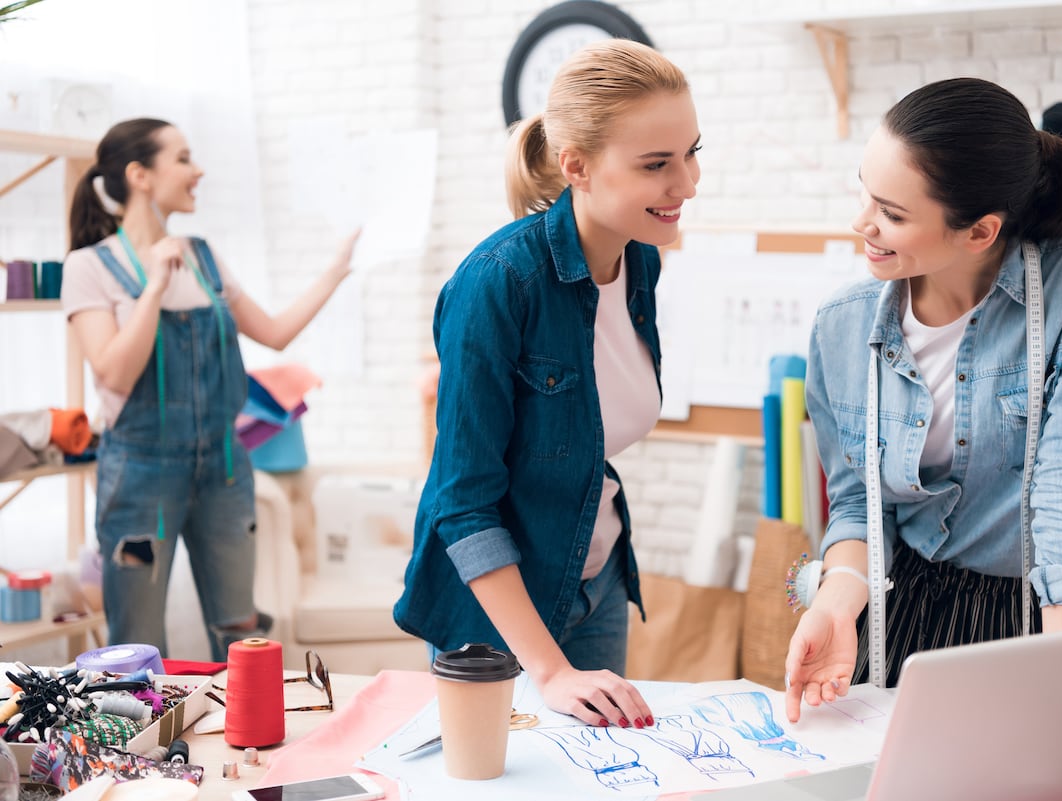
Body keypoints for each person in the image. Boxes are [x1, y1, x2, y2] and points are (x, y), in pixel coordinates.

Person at [784, 78, 1062, 722]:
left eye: (892, 214)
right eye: (865, 193)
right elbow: (859, 504)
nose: (862, 224)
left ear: (979, 232)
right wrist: (834, 605)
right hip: (894, 611)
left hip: (1027, 616)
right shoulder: (842, 325)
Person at [393, 39, 700, 728]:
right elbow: (461, 504)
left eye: (691, 153)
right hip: (498, 613)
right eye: (657, 164)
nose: (687, 184)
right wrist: (552, 670)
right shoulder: (498, 283)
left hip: (599, 579)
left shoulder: (641, 262)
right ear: (576, 166)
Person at [62, 118, 357, 660]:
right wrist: (154, 286)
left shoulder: (202, 256)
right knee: (136, 644)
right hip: (139, 475)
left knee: (240, 635)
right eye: (182, 158)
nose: (197, 171)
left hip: (224, 469)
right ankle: (140, 724)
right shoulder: (88, 267)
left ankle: (243, 721)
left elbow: (275, 332)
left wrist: (335, 272)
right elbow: (114, 372)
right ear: (140, 175)